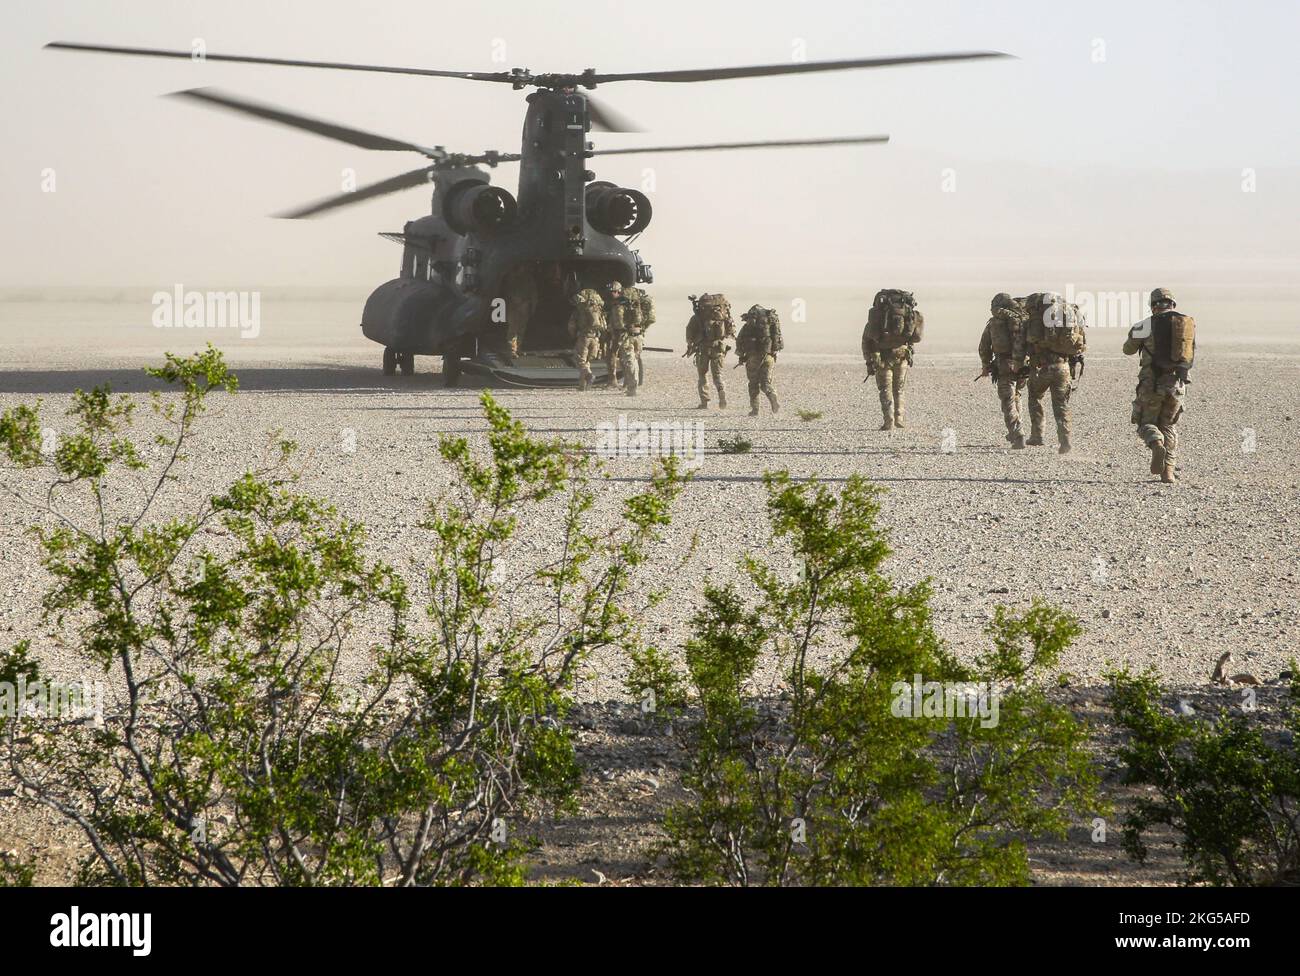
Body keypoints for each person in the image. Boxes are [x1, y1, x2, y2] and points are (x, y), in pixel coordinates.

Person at [1123, 287, 1195, 484]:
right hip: (1177, 384)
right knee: (1169, 425)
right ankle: (1168, 473)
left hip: (1152, 383)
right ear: (1172, 304)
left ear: (1153, 305)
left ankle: (1155, 443)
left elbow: (1127, 350)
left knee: (1145, 422)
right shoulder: (1185, 324)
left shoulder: (1145, 325)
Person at [1022, 292, 1086, 454]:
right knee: (1061, 405)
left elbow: (1025, 344)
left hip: (1041, 368)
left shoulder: (1035, 319)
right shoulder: (1068, 315)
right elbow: (1080, 345)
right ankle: (1065, 441)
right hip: (1062, 366)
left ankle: (1037, 435)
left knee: (1035, 397)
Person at [862, 289, 923, 430]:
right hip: (901, 357)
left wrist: (868, 362)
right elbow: (914, 338)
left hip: (881, 359)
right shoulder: (907, 318)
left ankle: (888, 421)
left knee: (885, 390)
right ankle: (899, 418)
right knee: (899, 389)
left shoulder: (875, 321)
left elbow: (866, 342)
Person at [977, 293, 1028, 449]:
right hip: (1023, 366)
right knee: (1016, 395)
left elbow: (984, 346)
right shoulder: (1023, 321)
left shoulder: (994, 323)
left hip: (1004, 365)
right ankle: (1017, 428)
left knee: (1008, 401)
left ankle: (1017, 434)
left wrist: (985, 365)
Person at [685, 293, 732, 408]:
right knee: (717, 375)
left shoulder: (697, 317)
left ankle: (704, 401)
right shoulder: (722, 316)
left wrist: (691, 343)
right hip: (718, 348)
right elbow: (730, 331)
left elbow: (689, 332)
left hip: (703, 349)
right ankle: (721, 391)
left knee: (702, 375)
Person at [735, 305, 782, 416]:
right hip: (769, 356)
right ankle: (772, 394)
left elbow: (740, 341)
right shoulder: (770, 325)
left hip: (753, 357)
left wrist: (741, 356)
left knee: (753, 383)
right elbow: (777, 341)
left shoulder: (747, 327)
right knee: (765, 383)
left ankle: (755, 409)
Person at [601, 281, 639, 397]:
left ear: (619, 291)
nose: (613, 294)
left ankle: (631, 388)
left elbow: (620, 323)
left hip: (624, 335)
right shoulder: (618, 304)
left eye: (614, 291)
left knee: (628, 360)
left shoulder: (622, 304)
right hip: (623, 334)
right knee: (626, 360)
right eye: (611, 292)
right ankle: (627, 384)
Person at [568, 287, 606, 392]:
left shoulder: (579, 310)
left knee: (579, 360)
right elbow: (604, 326)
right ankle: (582, 386)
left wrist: (573, 335)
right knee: (587, 361)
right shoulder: (598, 310)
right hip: (595, 338)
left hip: (584, 337)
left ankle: (589, 376)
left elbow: (571, 325)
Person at [501, 263, 538, 360]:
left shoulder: (529, 279)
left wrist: (532, 306)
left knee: (521, 329)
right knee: (513, 330)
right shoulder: (512, 277)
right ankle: (512, 350)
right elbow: (507, 291)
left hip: (524, 306)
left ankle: (518, 348)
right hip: (514, 306)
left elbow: (533, 293)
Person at [623, 285, 654, 387]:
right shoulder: (641, 305)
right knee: (637, 357)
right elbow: (650, 319)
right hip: (639, 333)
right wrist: (642, 328)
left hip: (629, 335)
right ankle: (638, 381)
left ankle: (631, 383)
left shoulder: (626, 306)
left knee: (629, 359)